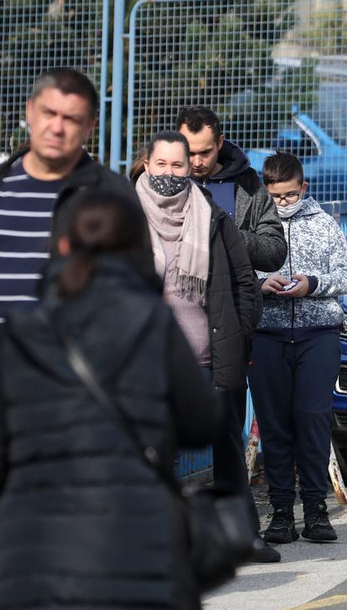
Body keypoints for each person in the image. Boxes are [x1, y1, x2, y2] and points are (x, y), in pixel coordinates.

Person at [0, 68, 146, 608]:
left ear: (90, 126)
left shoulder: (112, 197)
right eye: (49, 114)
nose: (58, 128)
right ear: (30, 113)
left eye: (72, 119)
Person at [0, 190, 223, 610]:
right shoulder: (153, 323)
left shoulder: (19, 332)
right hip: (137, 548)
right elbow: (202, 421)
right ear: (137, 247)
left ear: (62, 246)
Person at [132, 131, 268, 555]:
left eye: (178, 165)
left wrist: (238, 333)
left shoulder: (211, 216)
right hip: (149, 362)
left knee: (227, 447)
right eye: (162, 165)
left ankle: (244, 535)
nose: (170, 174)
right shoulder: (123, 217)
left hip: (211, 356)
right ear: (146, 165)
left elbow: (245, 282)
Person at [251, 152, 347, 544]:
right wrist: (263, 284)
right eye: (276, 196)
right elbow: (239, 274)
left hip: (318, 334)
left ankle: (315, 508)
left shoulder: (325, 224)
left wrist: (312, 284)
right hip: (268, 335)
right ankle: (281, 512)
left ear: (304, 188)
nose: (283, 203)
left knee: (312, 421)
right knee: (275, 426)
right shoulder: (254, 226)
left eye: (291, 195)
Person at [175, 106, 286, 273]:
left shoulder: (248, 185)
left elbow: (275, 252)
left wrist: (231, 236)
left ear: (220, 142)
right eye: (190, 153)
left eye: (205, 153)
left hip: (234, 295)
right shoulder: (163, 181)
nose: (197, 162)